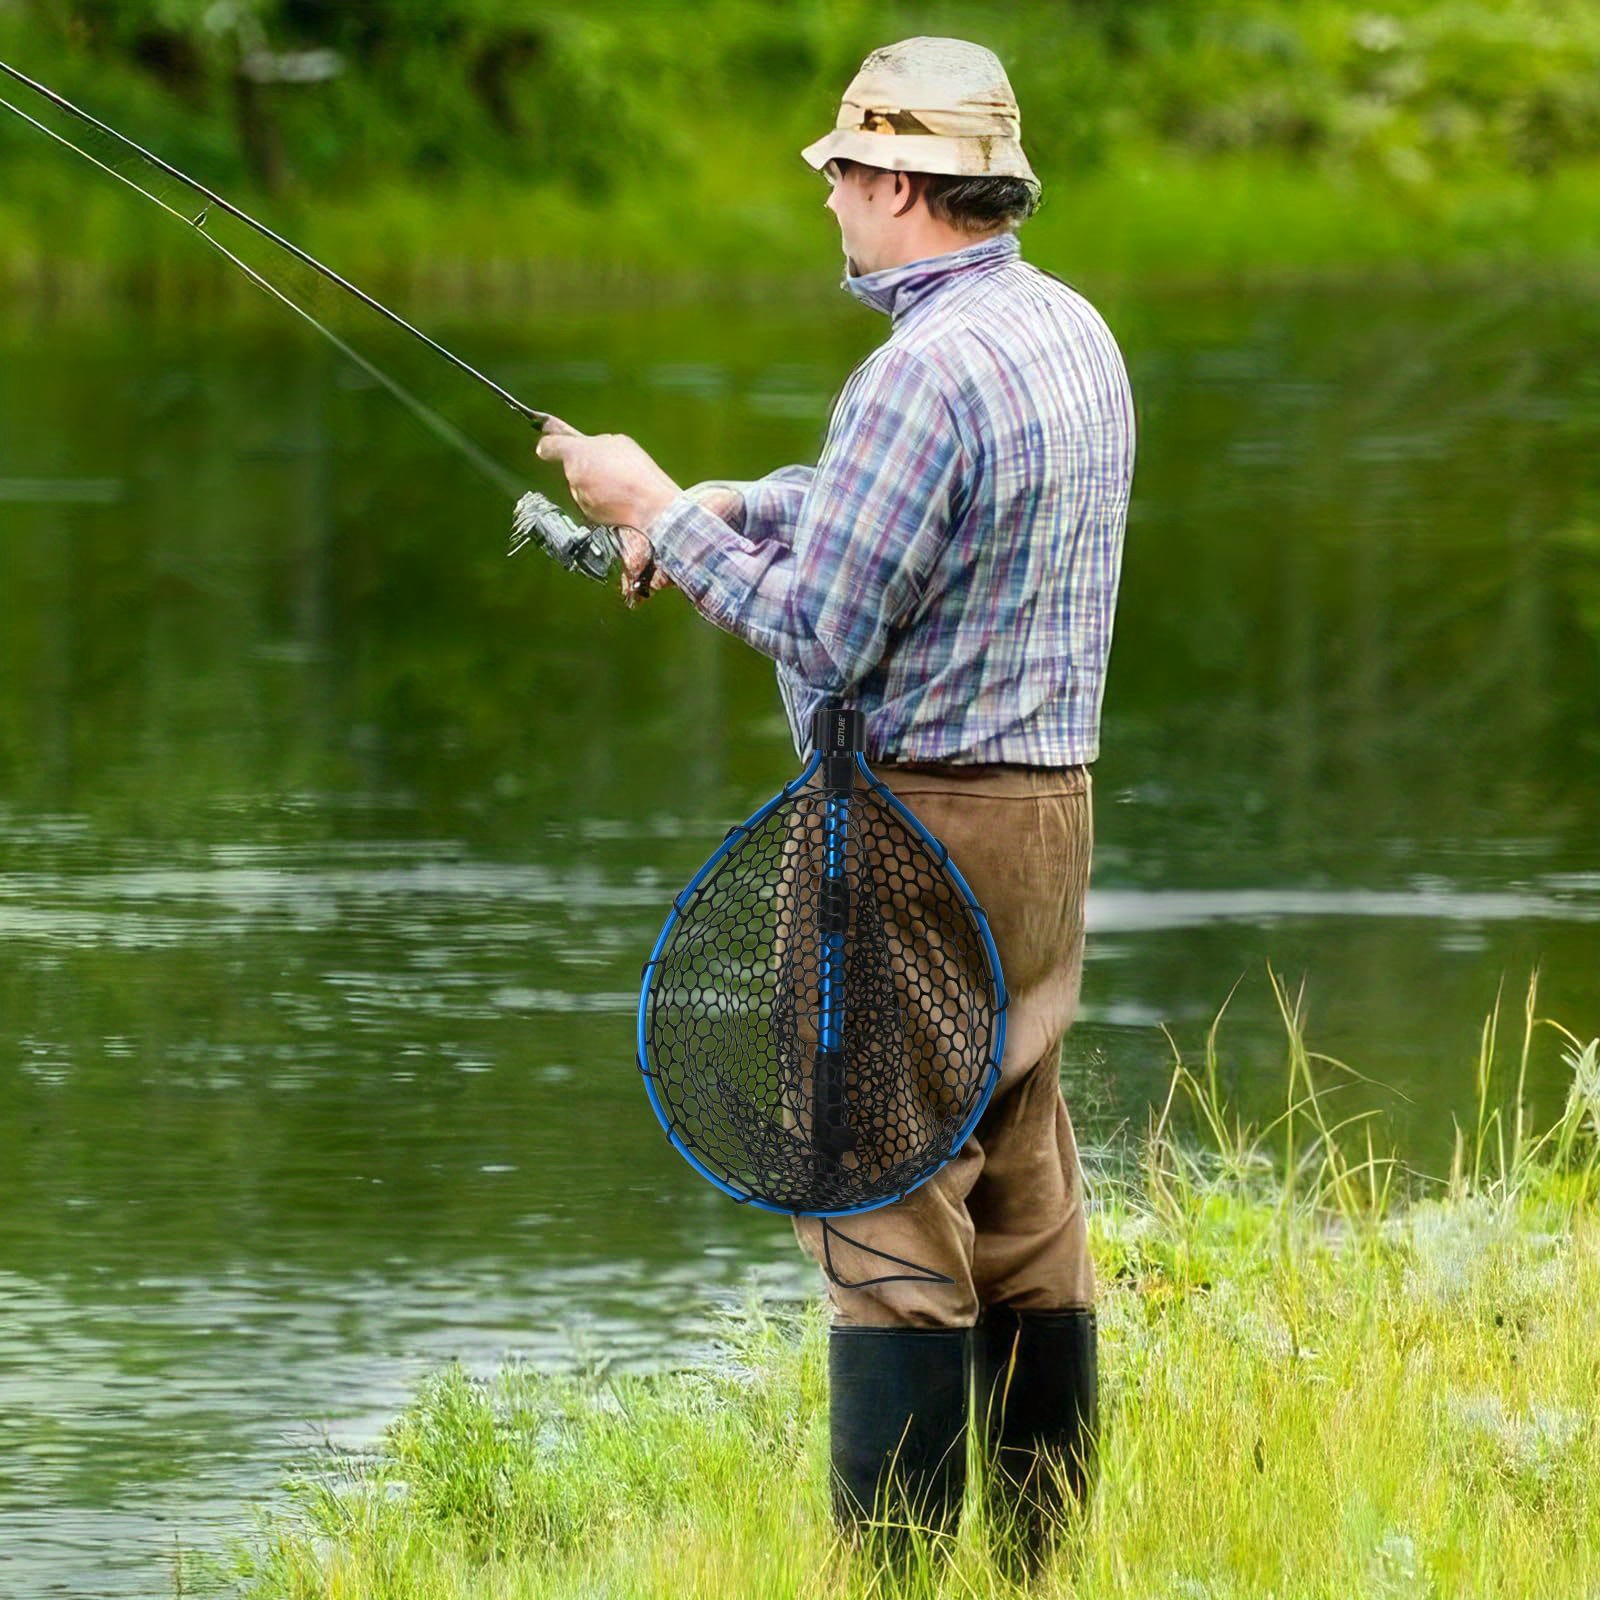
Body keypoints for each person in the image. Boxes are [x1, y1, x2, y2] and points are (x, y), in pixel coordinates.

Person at [537, 35, 1135, 1570]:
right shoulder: (1065, 329)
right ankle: (1040, 1563)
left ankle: (898, 1578)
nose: (831, 203)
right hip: (1047, 819)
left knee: (882, 1198)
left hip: (910, 829)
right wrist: (735, 503)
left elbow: (824, 632)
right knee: (1023, 1184)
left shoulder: (917, 371)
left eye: (844, 175)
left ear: (902, 183)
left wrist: (653, 509)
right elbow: (902, 520)